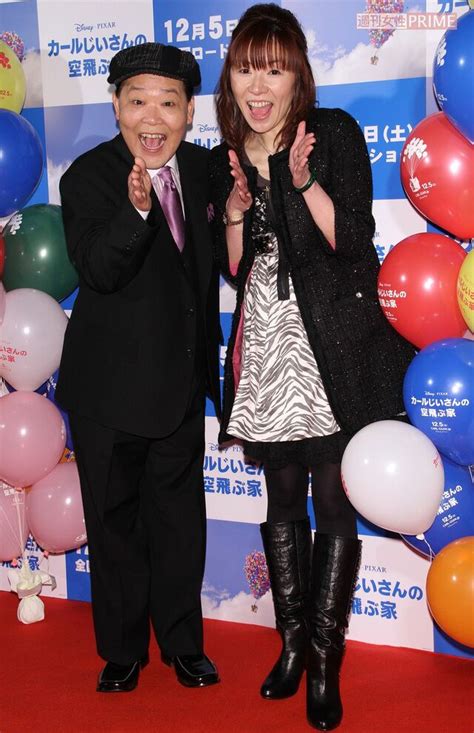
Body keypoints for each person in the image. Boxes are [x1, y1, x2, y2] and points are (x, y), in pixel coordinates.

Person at [209, 5, 415, 730]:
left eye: (274, 69)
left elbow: (354, 241)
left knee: (331, 498)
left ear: (298, 74)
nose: (258, 86)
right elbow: (236, 270)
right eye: (245, 69)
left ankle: (326, 658)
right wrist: (237, 209)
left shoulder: (333, 135)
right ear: (230, 79)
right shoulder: (229, 153)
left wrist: (301, 182)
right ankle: (292, 644)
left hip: (330, 346)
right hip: (268, 348)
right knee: (281, 496)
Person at [56, 42, 222, 694]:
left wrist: (237, 215)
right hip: (109, 390)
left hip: (180, 387)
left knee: (180, 524)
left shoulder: (205, 170)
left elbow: (217, 267)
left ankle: (184, 644)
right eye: (137, 102)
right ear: (117, 107)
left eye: (168, 103)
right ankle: (122, 651)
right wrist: (138, 211)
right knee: (115, 525)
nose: (153, 118)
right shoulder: (88, 177)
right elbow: (99, 269)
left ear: (188, 112)